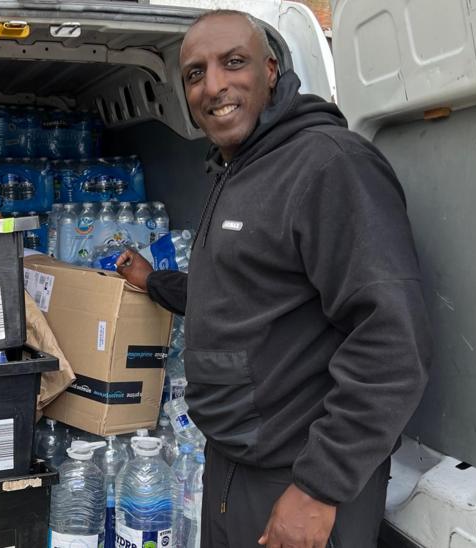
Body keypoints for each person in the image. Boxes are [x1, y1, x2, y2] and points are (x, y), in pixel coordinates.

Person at [115, 10, 431, 548]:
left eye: (232, 63)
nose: (213, 85)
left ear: (271, 70)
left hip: (297, 479)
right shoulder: (235, 168)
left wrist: (318, 487)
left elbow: (393, 341)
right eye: (195, 73)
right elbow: (238, 294)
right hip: (232, 465)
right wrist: (156, 283)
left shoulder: (329, 164)